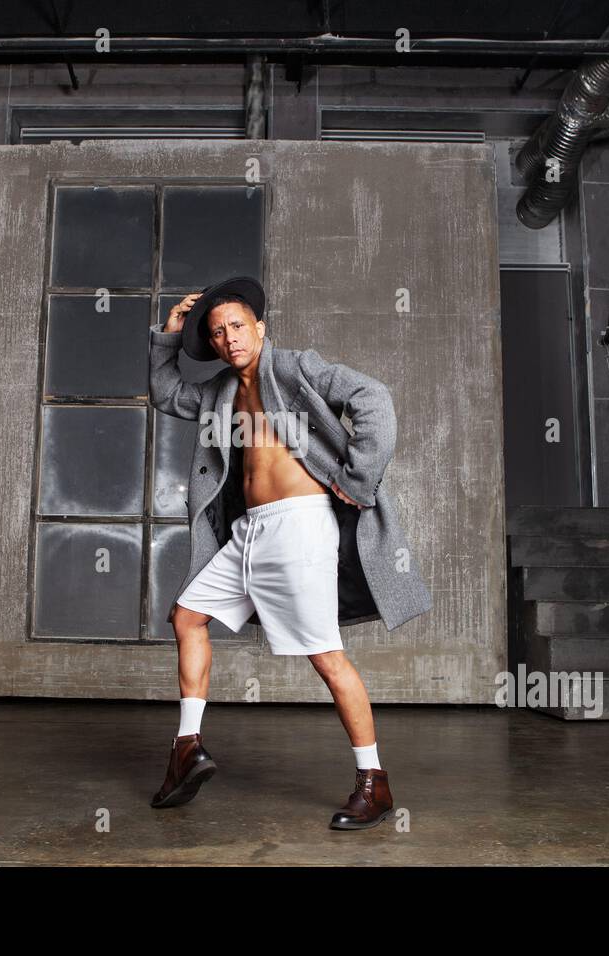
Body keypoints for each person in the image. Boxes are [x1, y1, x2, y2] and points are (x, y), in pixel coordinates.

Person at [147, 276, 428, 829]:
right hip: (248, 531)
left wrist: (360, 478)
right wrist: (169, 335)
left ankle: (375, 782)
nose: (228, 338)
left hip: (301, 528)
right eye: (217, 331)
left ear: (260, 328)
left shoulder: (297, 369)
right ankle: (186, 748)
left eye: (236, 326)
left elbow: (374, 397)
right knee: (187, 617)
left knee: (325, 656)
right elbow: (164, 392)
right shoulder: (219, 391)